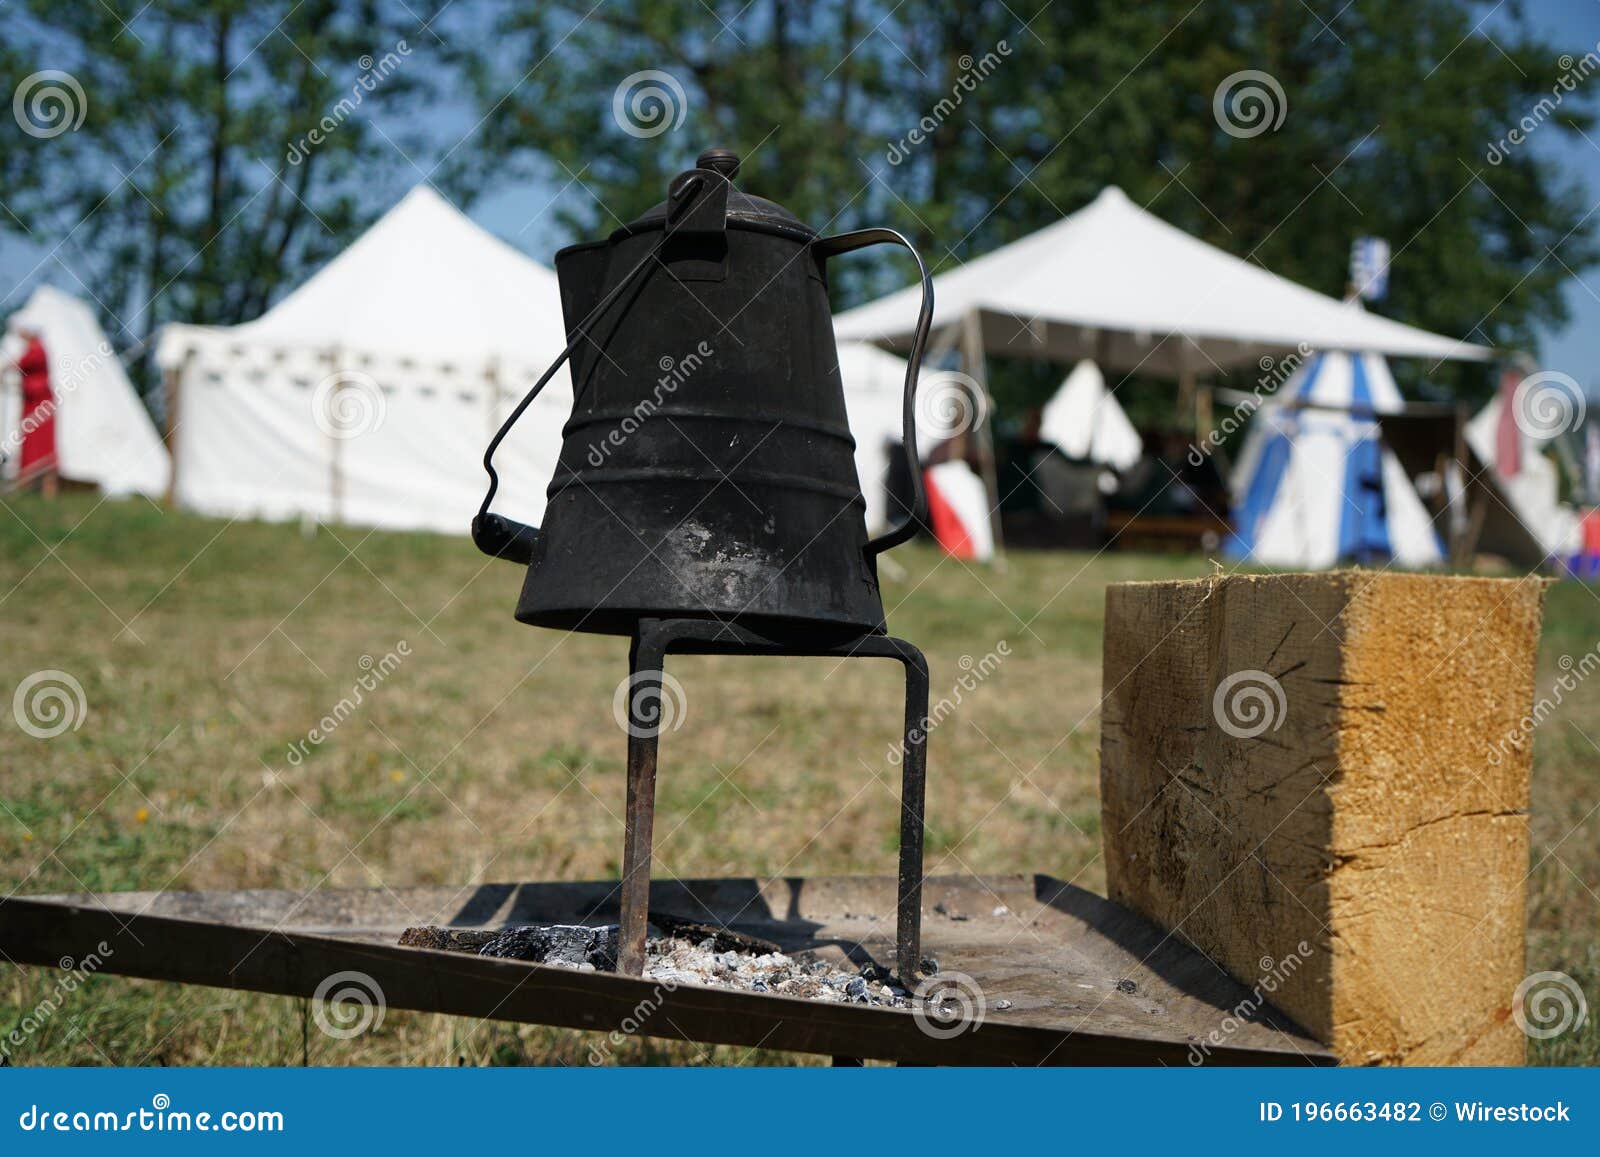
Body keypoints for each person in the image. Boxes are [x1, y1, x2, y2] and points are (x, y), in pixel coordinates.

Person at [6, 323, 59, 497]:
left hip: (39, 403)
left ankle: (46, 489)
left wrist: (4, 370)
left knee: (41, 447)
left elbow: (20, 363)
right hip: (32, 403)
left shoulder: (37, 350)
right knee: (32, 446)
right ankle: (30, 488)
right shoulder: (34, 349)